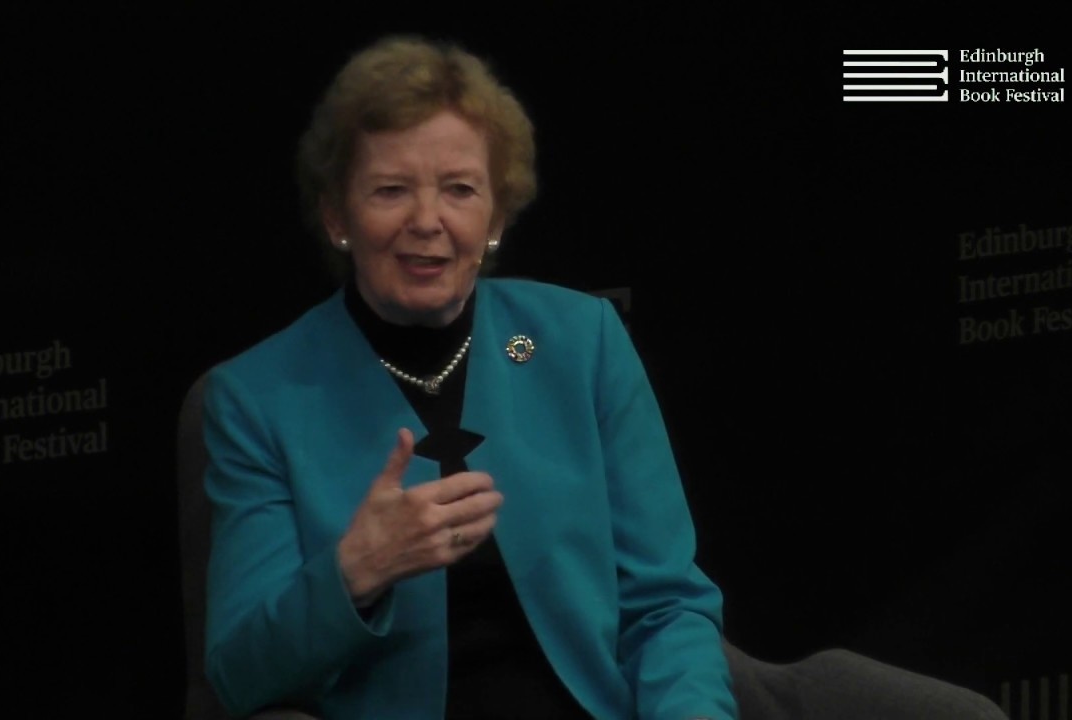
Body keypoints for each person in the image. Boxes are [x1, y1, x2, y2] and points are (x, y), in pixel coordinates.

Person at [202, 34, 736, 719]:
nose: (427, 221)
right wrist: (356, 571)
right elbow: (239, 675)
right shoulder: (257, 399)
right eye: (391, 190)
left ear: (496, 217)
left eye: (459, 189)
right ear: (337, 216)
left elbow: (666, 606)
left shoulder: (583, 342)